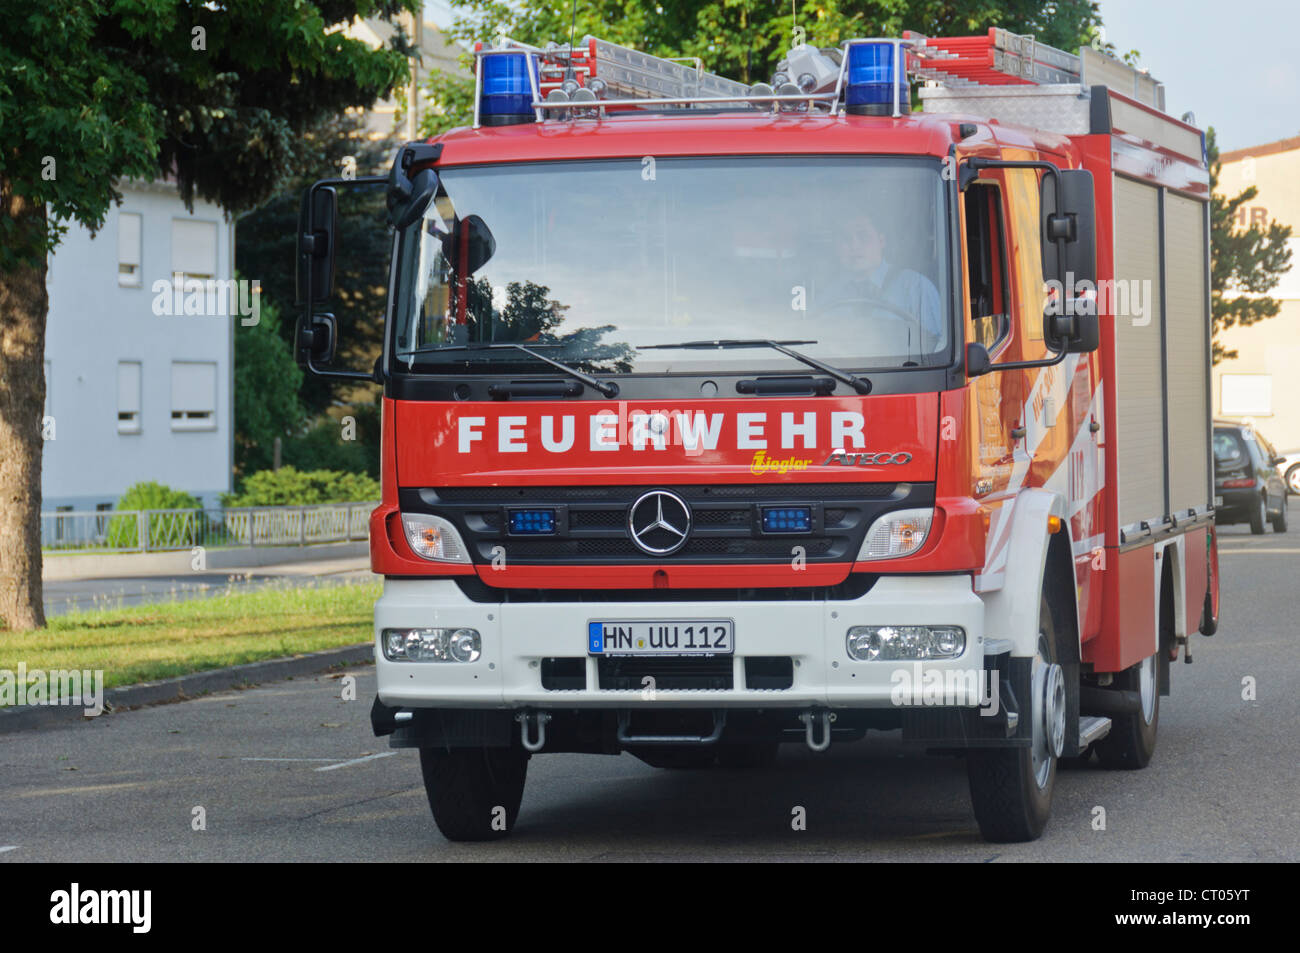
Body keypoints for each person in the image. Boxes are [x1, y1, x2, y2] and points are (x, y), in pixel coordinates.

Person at [817, 209, 943, 350]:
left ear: (881, 240)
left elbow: (935, 349)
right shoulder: (827, 296)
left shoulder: (916, 288)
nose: (854, 245)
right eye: (846, 239)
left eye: (863, 236)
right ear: (836, 247)